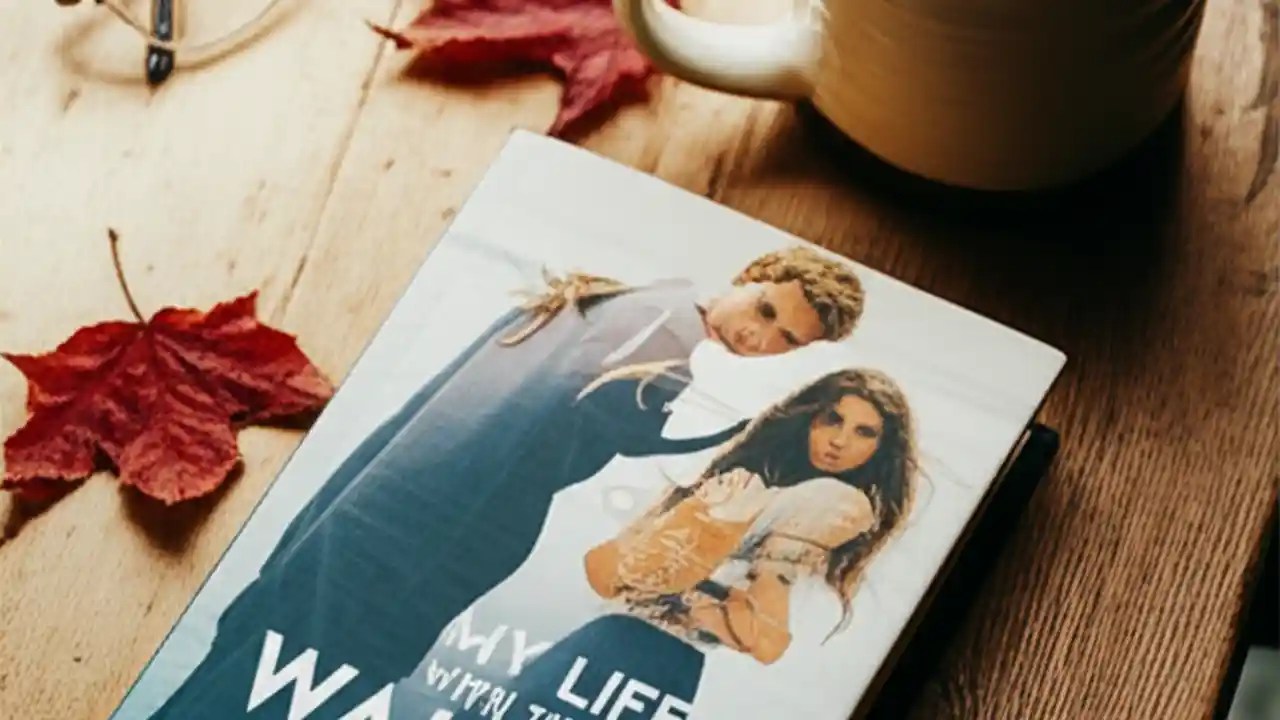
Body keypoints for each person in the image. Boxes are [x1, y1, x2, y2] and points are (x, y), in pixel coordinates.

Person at [146, 246, 865, 719]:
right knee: (276, 694)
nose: (761, 339)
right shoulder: (658, 335)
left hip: (372, 529)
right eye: (766, 311)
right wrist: (749, 432)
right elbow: (511, 432)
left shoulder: (622, 303)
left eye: (787, 340)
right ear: (750, 275)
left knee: (245, 677)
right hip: (399, 554)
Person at [484, 368, 917, 718]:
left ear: (883, 448)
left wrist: (692, 574)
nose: (839, 441)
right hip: (617, 641)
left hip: (656, 655)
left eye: (864, 432)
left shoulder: (835, 504)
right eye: (833, 419)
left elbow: (763, 635)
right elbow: (603, 573)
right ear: (810, 417)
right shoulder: (742, 478)